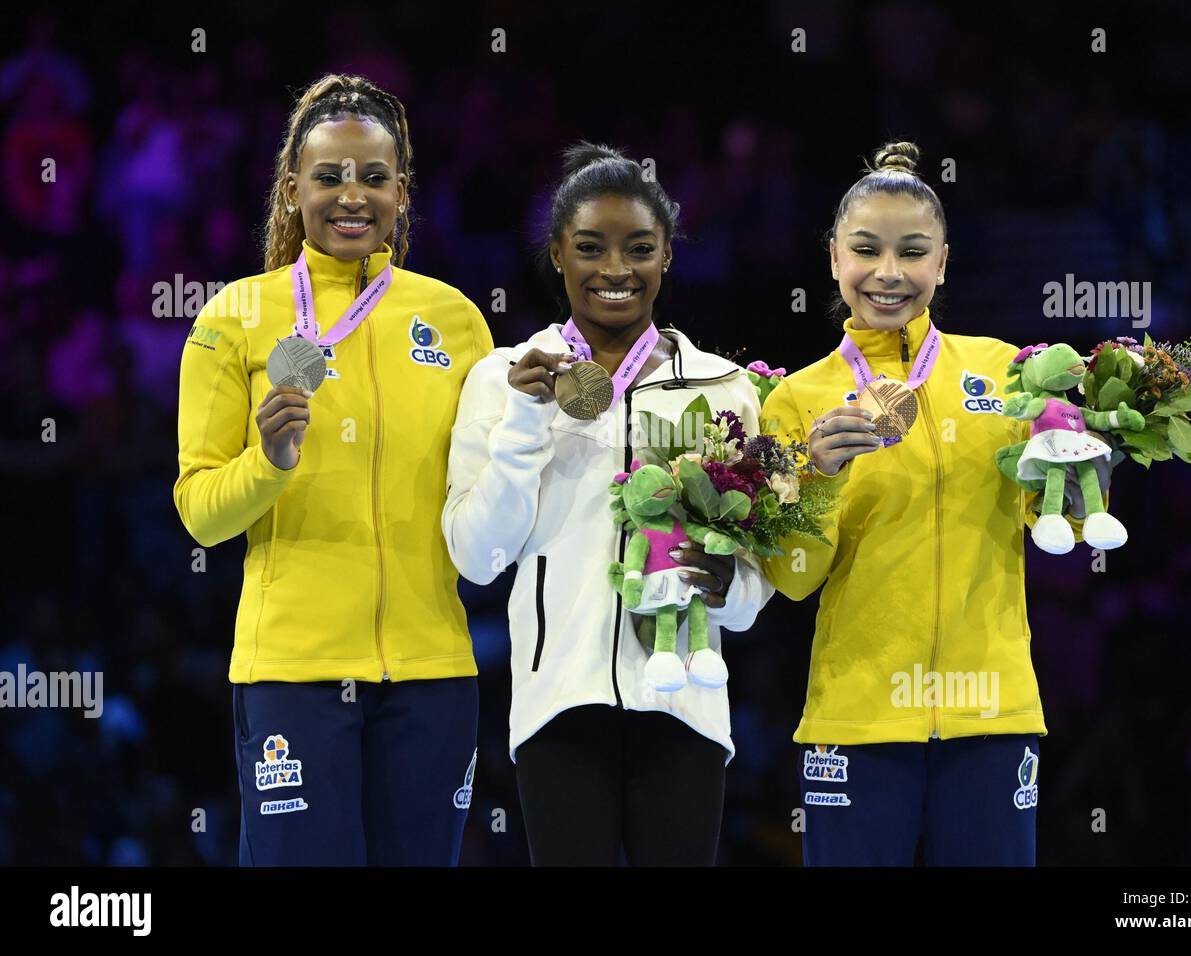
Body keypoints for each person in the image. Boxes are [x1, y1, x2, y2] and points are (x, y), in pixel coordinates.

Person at [761, 142, 1115, 866]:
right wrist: (816, 476)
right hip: (857, 723)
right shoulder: (795, 400)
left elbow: (1067, 534)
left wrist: (1086, 468)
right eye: (866, 250)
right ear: (833, 257)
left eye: (912, 252)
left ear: (943, 263)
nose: (888, 273)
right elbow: (792, 577)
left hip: (991, 714)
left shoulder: (1003, 372)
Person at [174, 74, 492, 865]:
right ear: (291, 190)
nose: (353, 195)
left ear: (401, 192)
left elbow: (492, 490)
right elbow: (201, 512)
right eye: (329, 176)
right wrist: (269, 462)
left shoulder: (454, 319)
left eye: (374, 178)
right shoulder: (232, 318)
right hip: (293, 671)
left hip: (432, 670)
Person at [443, 142, 773, 865]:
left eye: (640, 249)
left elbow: (749, 600)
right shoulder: (501, 379)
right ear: (558, 253)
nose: (616, 270)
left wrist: (729, 586)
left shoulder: (723, 389)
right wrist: (529, 418)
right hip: (556, 703)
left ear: (667, 259)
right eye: (591, 248)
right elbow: (477, 555)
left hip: (683, 698)